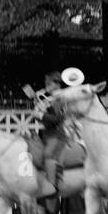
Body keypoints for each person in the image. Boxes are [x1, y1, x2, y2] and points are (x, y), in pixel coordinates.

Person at [37, 71, 68, 199]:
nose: (47, 86)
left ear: (57, 84)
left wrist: (41, 114)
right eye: (46, 83)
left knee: (48, 154)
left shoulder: (61, 98)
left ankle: (51, 186)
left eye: (50, 83)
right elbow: (46, 120)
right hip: (47, 132)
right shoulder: (48, 98)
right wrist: (40, 108)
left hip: (58, 133)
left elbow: (58, 119)